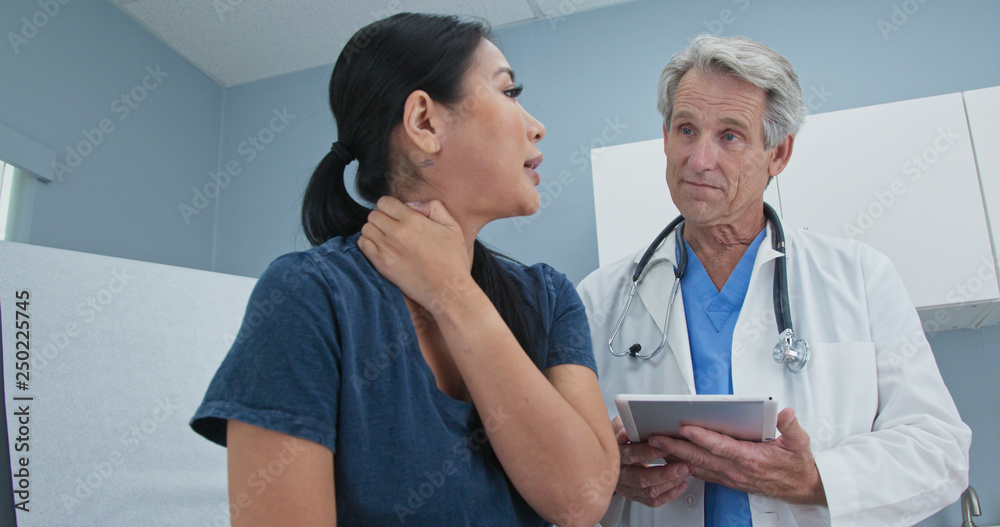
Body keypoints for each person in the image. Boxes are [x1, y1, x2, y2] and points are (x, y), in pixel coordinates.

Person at [189, 13, 618, 526]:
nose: (535, 125)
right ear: (424, 123)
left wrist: (453, 292)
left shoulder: (549, 297)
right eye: (508, 92)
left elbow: (581, 500)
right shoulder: (311, 295)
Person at [576, 34, 971, 526]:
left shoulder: (860, 277)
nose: (699, 160)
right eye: (685, 130)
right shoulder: (597, 299)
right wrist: (609, 472)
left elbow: (940, 451)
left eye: (729, 136)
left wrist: (815, 479)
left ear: (778, 155)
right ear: (664, 137)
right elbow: (560, 465)